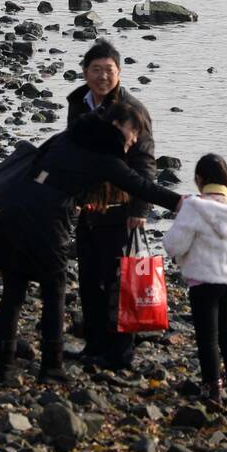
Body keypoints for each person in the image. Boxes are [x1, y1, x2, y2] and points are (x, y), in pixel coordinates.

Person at [0, 100, 183, 385]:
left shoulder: (69, 135)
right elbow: (141, 186)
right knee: (54, 292)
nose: (135, 139)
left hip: (16, 208)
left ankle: (3, 369)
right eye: (133, 131)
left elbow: (41, 161)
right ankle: (51, 368)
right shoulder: (103, 155)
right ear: (116, 126)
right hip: (48, 222)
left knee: (13, 292)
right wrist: (181, 202)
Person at [64, 42, 161, 370]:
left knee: (120, 284)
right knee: (89, 280)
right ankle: (94, 346)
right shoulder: (79, 103)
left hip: (120, 208)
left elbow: (145, 163)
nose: (103, 77)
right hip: (88, 207)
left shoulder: (132, 110)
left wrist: (140, 210)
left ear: (119, 73)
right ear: (85, 72)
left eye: (109, 70)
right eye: (96, 70)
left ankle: (120, 355)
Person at [162, 154, 227, 404]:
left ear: (199, 179)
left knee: (207, 337)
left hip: (204, 280)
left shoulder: (195, 207)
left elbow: (175, 245)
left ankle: (212, 390)